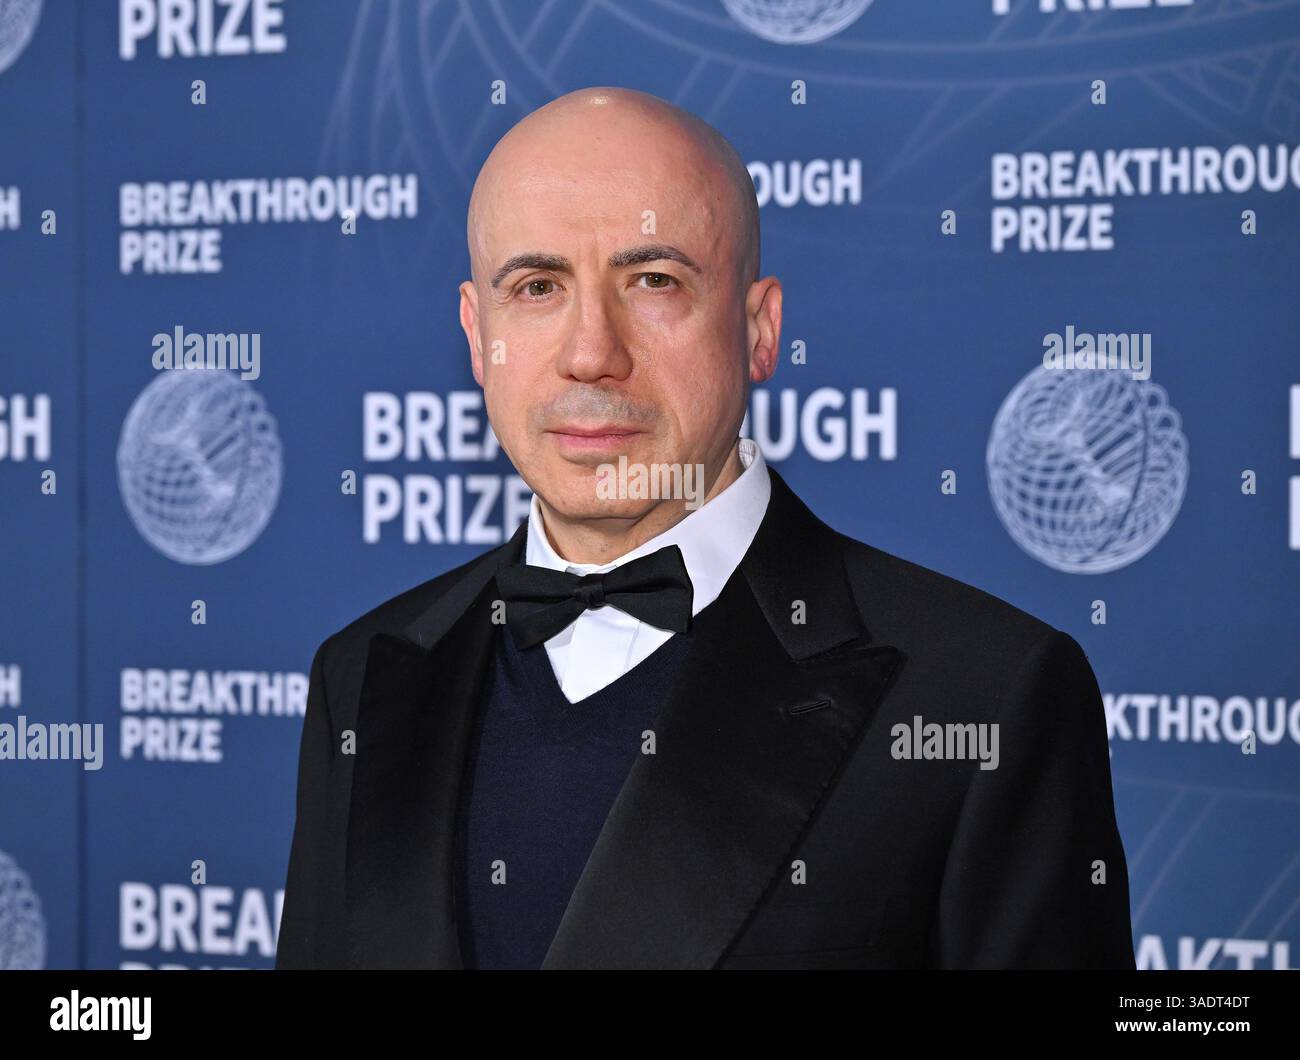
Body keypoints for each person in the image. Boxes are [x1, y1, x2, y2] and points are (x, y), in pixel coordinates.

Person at [275, 86, 1135, 970]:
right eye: (536, 287)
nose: (591, 352)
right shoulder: (364, 673)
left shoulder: (984, 693)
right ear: (475, 334)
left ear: (759, 330)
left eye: (653, 280)